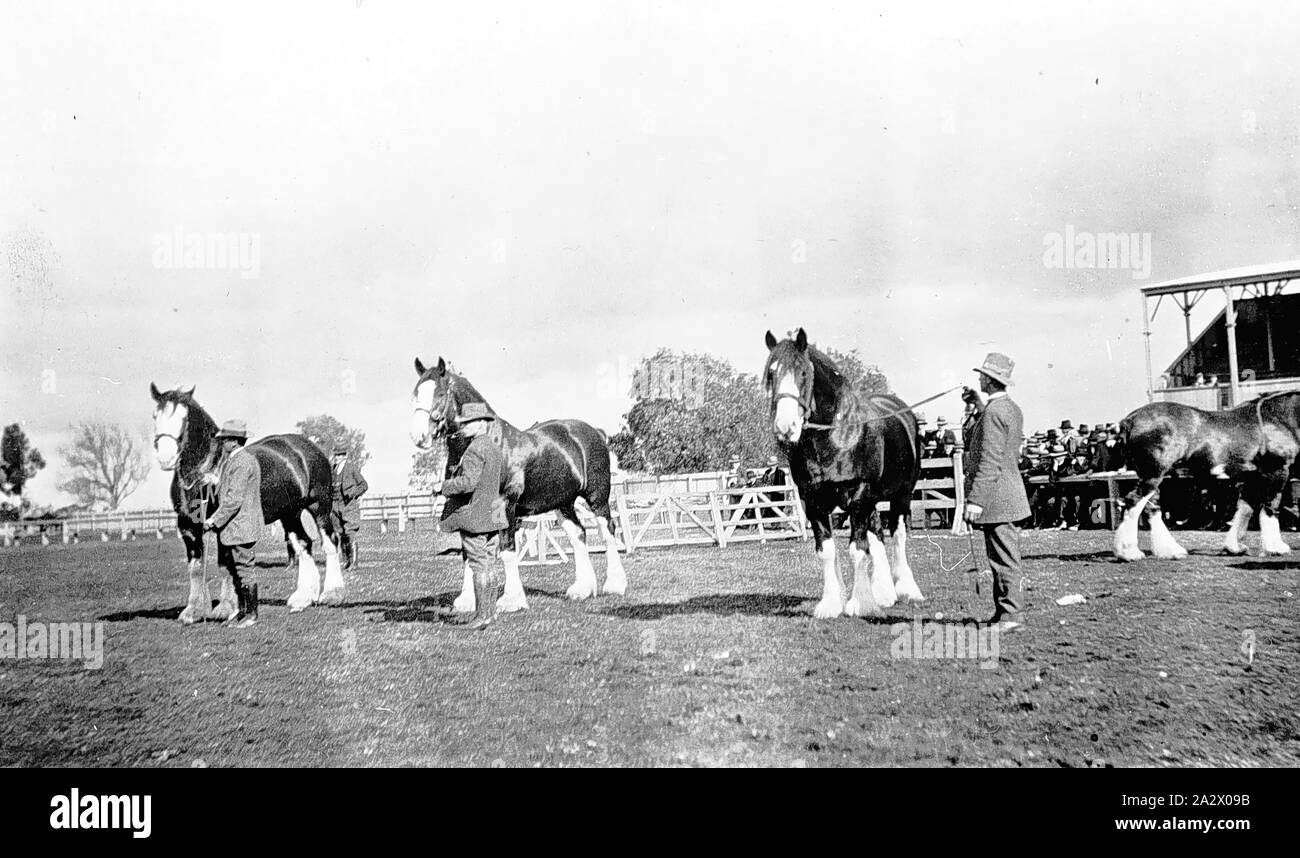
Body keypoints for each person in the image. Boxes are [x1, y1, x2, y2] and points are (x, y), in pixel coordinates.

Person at [962, 353, 1031, 633]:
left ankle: (1011, 616)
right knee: (1003, 556)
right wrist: (979, 405)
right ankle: (1005, 612)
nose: (978, 379)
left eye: (982, 376)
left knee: (1003, 558)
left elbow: (990, 460)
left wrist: (975, 501)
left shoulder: (993, 413)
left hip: (997, 497)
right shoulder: (1008, 408)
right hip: (1007, 493)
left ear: (990, 380)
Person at [437, 402, 508, 631]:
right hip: (493, 515)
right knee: (489, 565)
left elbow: (468, 483)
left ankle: (481, 616)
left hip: (475, 516)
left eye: (468, 422)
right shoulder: (494, 447)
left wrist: (443, 487)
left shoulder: (474, 449)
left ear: (480, 424)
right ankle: (490, 613)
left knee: (479, 566)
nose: (463, 426)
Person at [204, 420, 262, 628]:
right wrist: (215, 482)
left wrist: (213, 521)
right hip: (236, 526)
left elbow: (233, 500)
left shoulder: (242, 462)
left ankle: (251, 615)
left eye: (226, 439)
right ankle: (243, 612)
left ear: (235, 441)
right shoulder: (235, 460)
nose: (223, 442)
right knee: (238, 570)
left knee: (244, 569)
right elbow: (228, 491)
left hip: (240, 526)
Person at [330, 441, 369, 569]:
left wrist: (353, 494)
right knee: (339, 533)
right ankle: (346, 561)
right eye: (336, 454)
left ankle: (354, 563)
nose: (336, 457)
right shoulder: (332, 469)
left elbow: (364, 485)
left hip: (348, 505)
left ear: (344, 456)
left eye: (339, 455)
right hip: (335, 505)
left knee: (350, 533)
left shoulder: (351, 468)